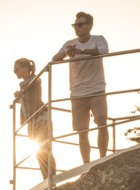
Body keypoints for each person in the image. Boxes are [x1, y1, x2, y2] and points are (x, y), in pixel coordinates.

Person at [52, 11, 109, 163]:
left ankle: (103, 160)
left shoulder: (98, 39)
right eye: (74, 25)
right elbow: (54, 59)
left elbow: (104, 51)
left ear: (90, 25)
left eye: (80, 25)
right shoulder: (69, 43)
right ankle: (86, 166)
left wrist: (80, 51)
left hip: (97, 89)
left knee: (102, 123)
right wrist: (67, 52)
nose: (76, 28)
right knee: (82, 131)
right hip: (77, 93)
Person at [14, 58, 55, 181]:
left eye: (17, 69)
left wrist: (20, 92)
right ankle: (46, 179)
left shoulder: (34, 79)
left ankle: (51, 180)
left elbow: (33, 83)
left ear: (26, 68)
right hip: (32, 122)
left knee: (45, 149)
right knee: (39, 152)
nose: (15, 72)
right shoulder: (26, 84)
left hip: (40, 119)